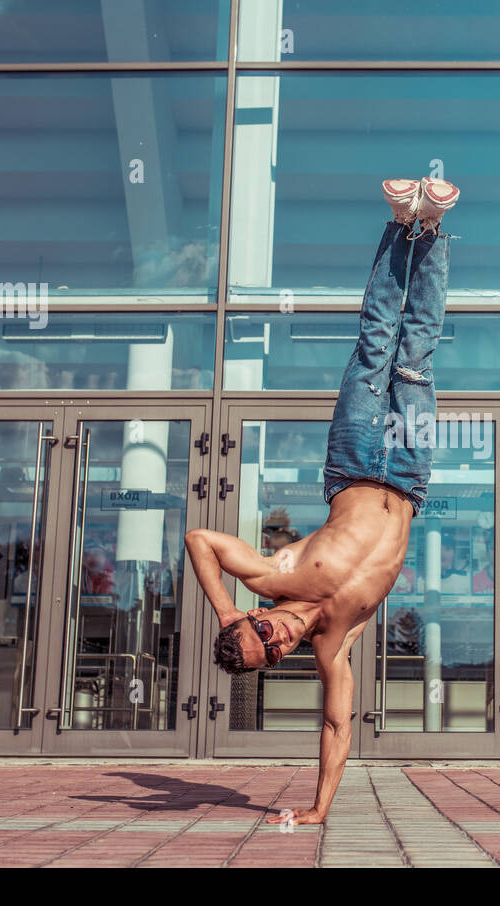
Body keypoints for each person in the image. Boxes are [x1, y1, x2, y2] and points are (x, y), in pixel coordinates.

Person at [184, 176, 458, 826]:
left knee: (375, 345)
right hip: (411, 474)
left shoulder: (276, 576)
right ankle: (434, 232)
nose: (276, 643)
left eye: (261, 636)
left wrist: (223, 608)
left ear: (252, 619)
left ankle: (398, 224)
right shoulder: (333, 645)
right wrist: (318, 807)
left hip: (359, 457)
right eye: (271, 656)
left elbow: (201, 539)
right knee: (416, 357)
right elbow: (337, 725)